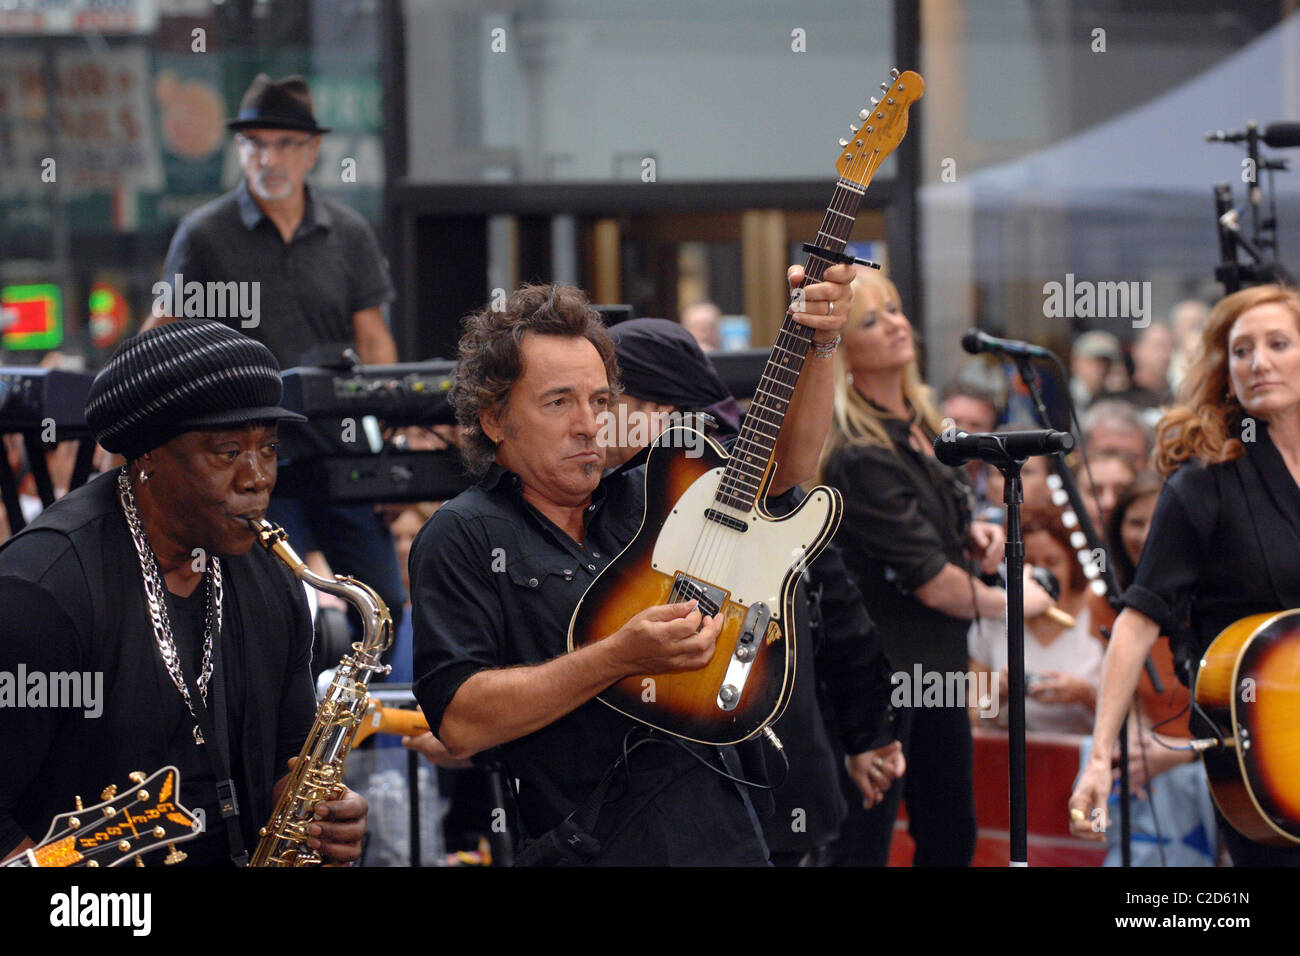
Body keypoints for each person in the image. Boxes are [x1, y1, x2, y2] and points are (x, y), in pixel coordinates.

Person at [410, 268, 853, 866]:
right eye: (558, 401)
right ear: (494, 419)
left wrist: (821, 343)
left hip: (727, 836)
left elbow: (788, 469)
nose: (588, 422)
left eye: (598, 401)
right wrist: (616, 656)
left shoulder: (648, 495)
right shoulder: (462, 533)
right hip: (593, 844)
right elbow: (461, 720)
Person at [0, 320, 367, 866]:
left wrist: (322, 819)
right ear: (147, 456)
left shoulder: (272, 578)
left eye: (266, 447)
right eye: (226, 452)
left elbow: (284, 765)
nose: (257, 477)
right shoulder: (43, 590)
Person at [601, 317, 903, 866]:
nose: (592, 422)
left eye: (607, 402)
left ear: (659, 411)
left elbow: (836, 612)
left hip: (739, 783)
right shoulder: (763, 479)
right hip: (763, 785)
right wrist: (867, 735)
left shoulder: (675, 488)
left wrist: (867, 734)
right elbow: (843, 615)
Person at [142, 73, 406, 638]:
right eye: (256, 143)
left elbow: (376, 346)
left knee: (382, 605)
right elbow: (157, 339)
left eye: (285, 143)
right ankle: (282, 726)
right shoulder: (205, 234)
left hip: (342, 450)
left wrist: (393, 454)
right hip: (248, 458)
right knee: (273, 614)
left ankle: (365, 727)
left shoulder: (349, 233)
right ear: (239, 150)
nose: (270, 157)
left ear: (311, 151)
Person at [817, 267, 1053, 866]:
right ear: (844, 354)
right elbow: (930, 583)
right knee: (862, 846)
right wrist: (1014, 602)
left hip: (940, 665)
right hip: (883, 672)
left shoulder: (922, 428)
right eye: (871, 320)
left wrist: (968, 532)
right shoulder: (859, 453)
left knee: (952, 835)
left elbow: (935, 538)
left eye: (895, 310)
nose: (896, 324)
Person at [1069, 283, 1300, 865]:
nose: (1258, 361)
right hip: (1266, 753)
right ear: (1225, 369)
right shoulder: (1203, 483)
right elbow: (1139, 618)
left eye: (1278, 343)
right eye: (1242, 350)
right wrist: (1100, 755)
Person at [968, 504, 1102, 735]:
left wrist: (1085, 694)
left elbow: (1132, 715)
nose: (1040, 574)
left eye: (1052, 562)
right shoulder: (993, 619)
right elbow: (972, 718)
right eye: (1027, 562)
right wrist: (996, 698)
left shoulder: (1098, 612)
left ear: (1072, 563)